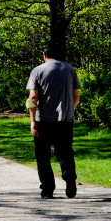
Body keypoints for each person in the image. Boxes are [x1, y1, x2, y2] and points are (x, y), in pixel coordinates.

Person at [26, 44, 80, 199]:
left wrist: (32, 120)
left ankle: (48, 189)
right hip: (65, 120)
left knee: (43, 156)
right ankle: (70, 181)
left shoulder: (37, 71)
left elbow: (33, 98)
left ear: (44, 54)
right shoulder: (69, 70)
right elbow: (76, 96)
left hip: (43, 120)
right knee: (65, 153)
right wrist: (69, 110)